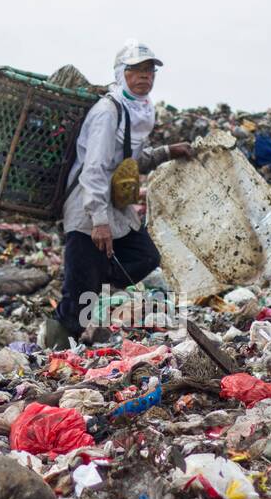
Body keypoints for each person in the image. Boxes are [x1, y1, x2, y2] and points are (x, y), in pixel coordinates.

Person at [41, 43, 192, 348]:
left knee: (145, 256)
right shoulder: (107, 112)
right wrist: (98, 220)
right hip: (88, 207)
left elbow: (127, 164)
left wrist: (167, 152)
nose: (144, 76)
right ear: (120, 74)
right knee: (78, 296)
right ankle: (50, 351)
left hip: (114, 207)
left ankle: (94, 276)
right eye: (135, 70)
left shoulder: (137, 112)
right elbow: (93, 170)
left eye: (149, 70)